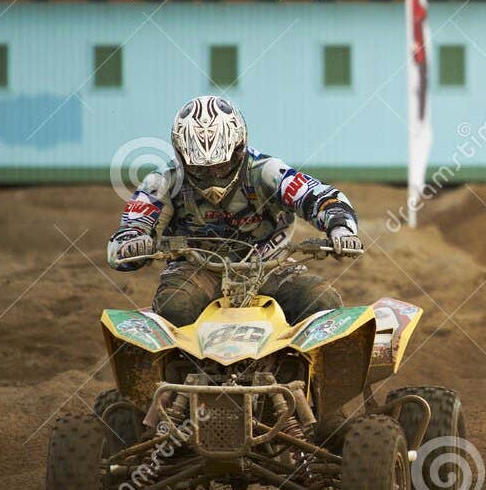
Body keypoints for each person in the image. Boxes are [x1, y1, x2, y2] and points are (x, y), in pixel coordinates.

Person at [107, 95, 362, 326]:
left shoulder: (266, 170)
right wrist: (134, 242)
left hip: (269, 264)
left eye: (221, 165)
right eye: (201, 169)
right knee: (175, 306)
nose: (212, 176)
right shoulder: (163, 181)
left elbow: (318, 195)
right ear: (181, 156)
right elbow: (130, 231)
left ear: (239, 149)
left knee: (321, 302)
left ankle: (323, 376)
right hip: (196, 269)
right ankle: (175, 372)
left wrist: (339, 227)